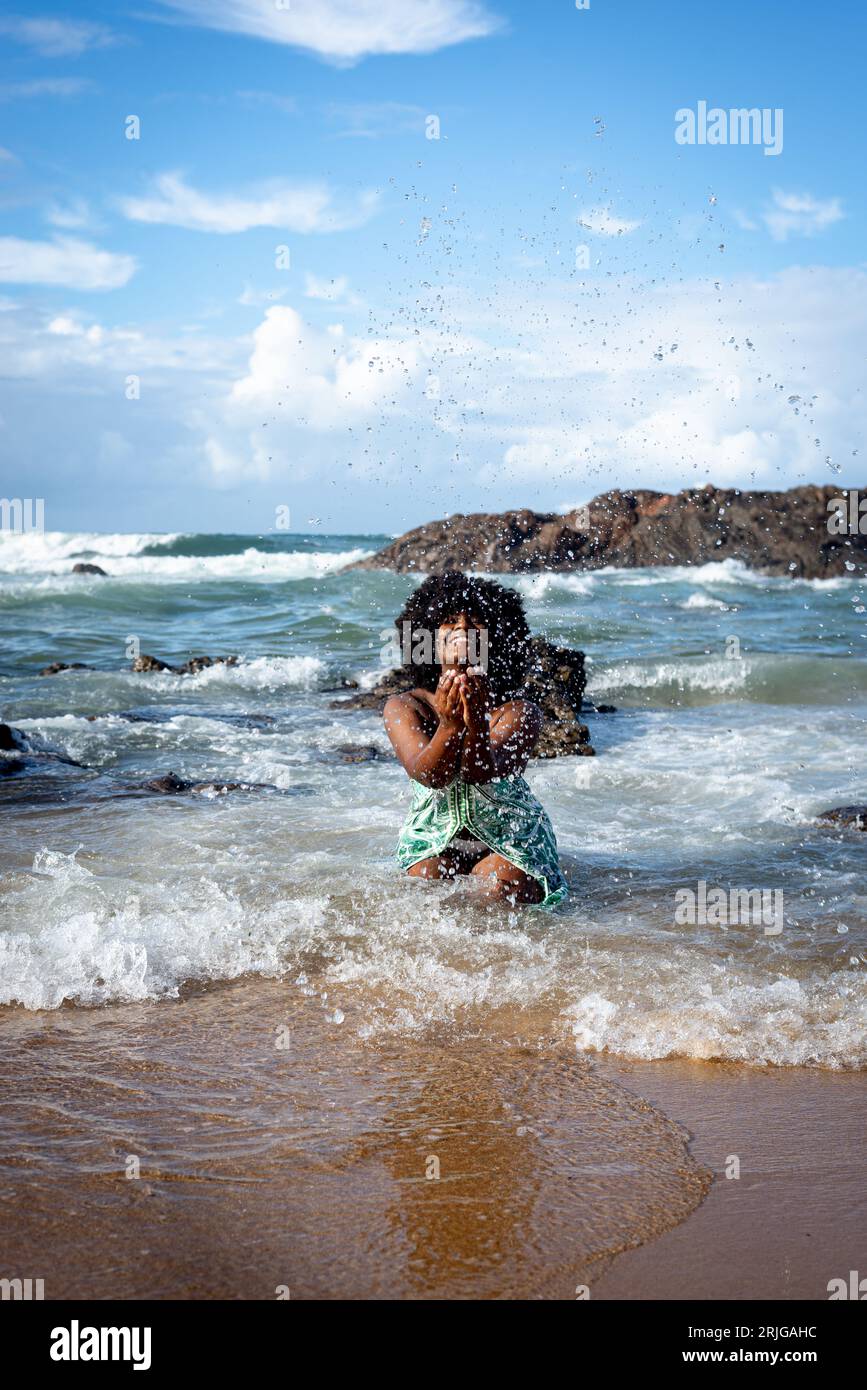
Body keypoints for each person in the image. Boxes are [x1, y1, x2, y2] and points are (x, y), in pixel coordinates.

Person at [383, 572, 568, 908]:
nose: (464, 628)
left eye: (477, 621)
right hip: (433, 838)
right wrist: (451, 725)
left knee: (500, 893)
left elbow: (481, 773)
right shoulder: (404, 706)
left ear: (495, 638)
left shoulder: (518, 711)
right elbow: (431, 775)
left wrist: (477, 724)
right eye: (450, 620)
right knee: (422, 897)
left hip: (512, 839)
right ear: (425, 637)